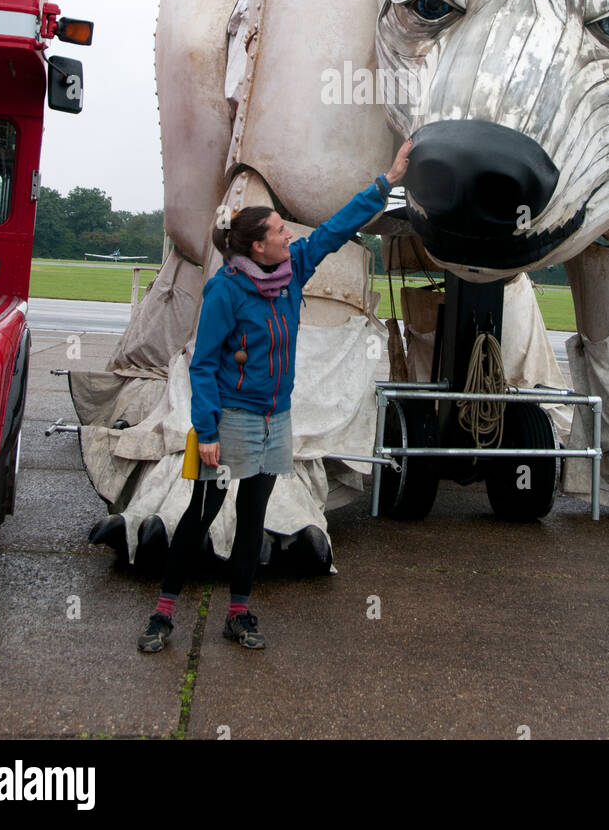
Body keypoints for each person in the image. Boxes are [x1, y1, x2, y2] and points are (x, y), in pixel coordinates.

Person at [137, 138, 412, 653]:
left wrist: (388, 181)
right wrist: (209, 431)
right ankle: (163, 613)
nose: (290, 234)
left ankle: (238, 613)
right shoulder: (226, 290)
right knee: (200, 514)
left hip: (273, 420)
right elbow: (203, 365)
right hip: (230, 422)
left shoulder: (292, 274)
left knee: (253, 516)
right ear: (256, 246)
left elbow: (334, 229)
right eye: (280, 231)